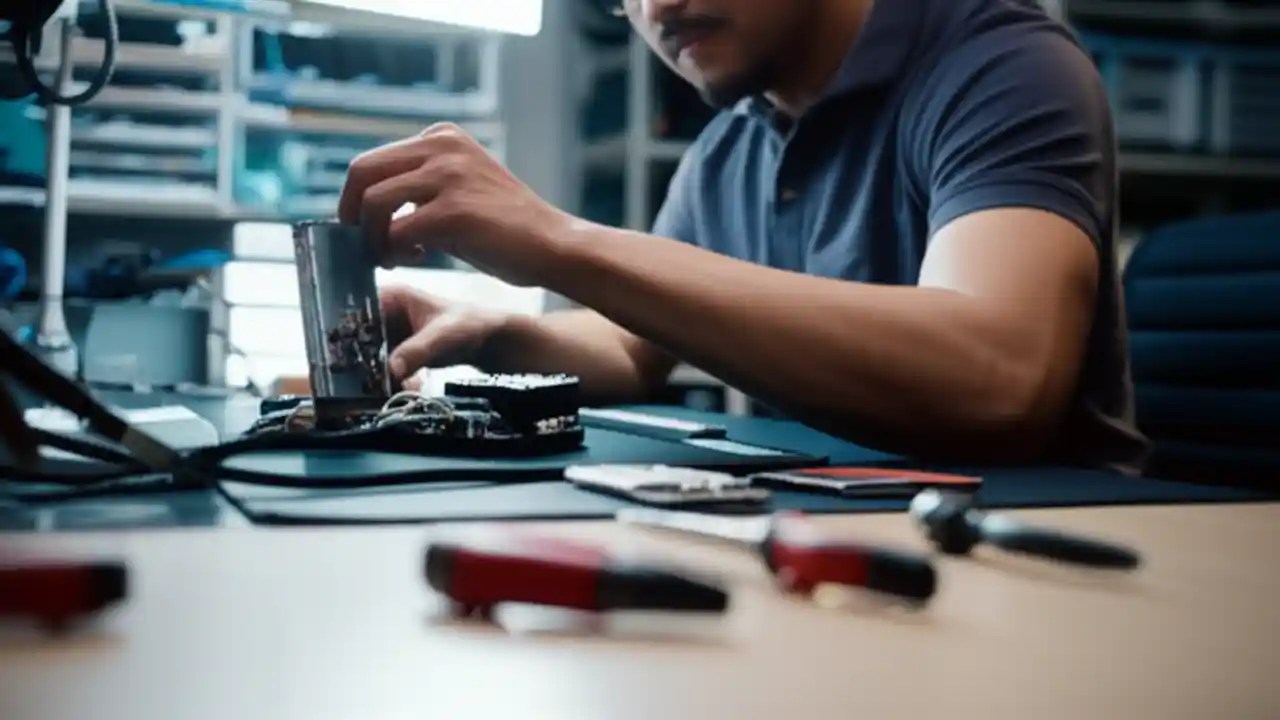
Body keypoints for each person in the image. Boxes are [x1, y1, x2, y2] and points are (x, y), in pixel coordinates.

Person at [338, 0, 1150, 473]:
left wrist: (557, 239)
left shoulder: (1001, 67)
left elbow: (997, 377)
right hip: (847, 538)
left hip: (1048, 557)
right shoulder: (728, 150)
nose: (658, 7)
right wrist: (490, 333)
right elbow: (629, 347)